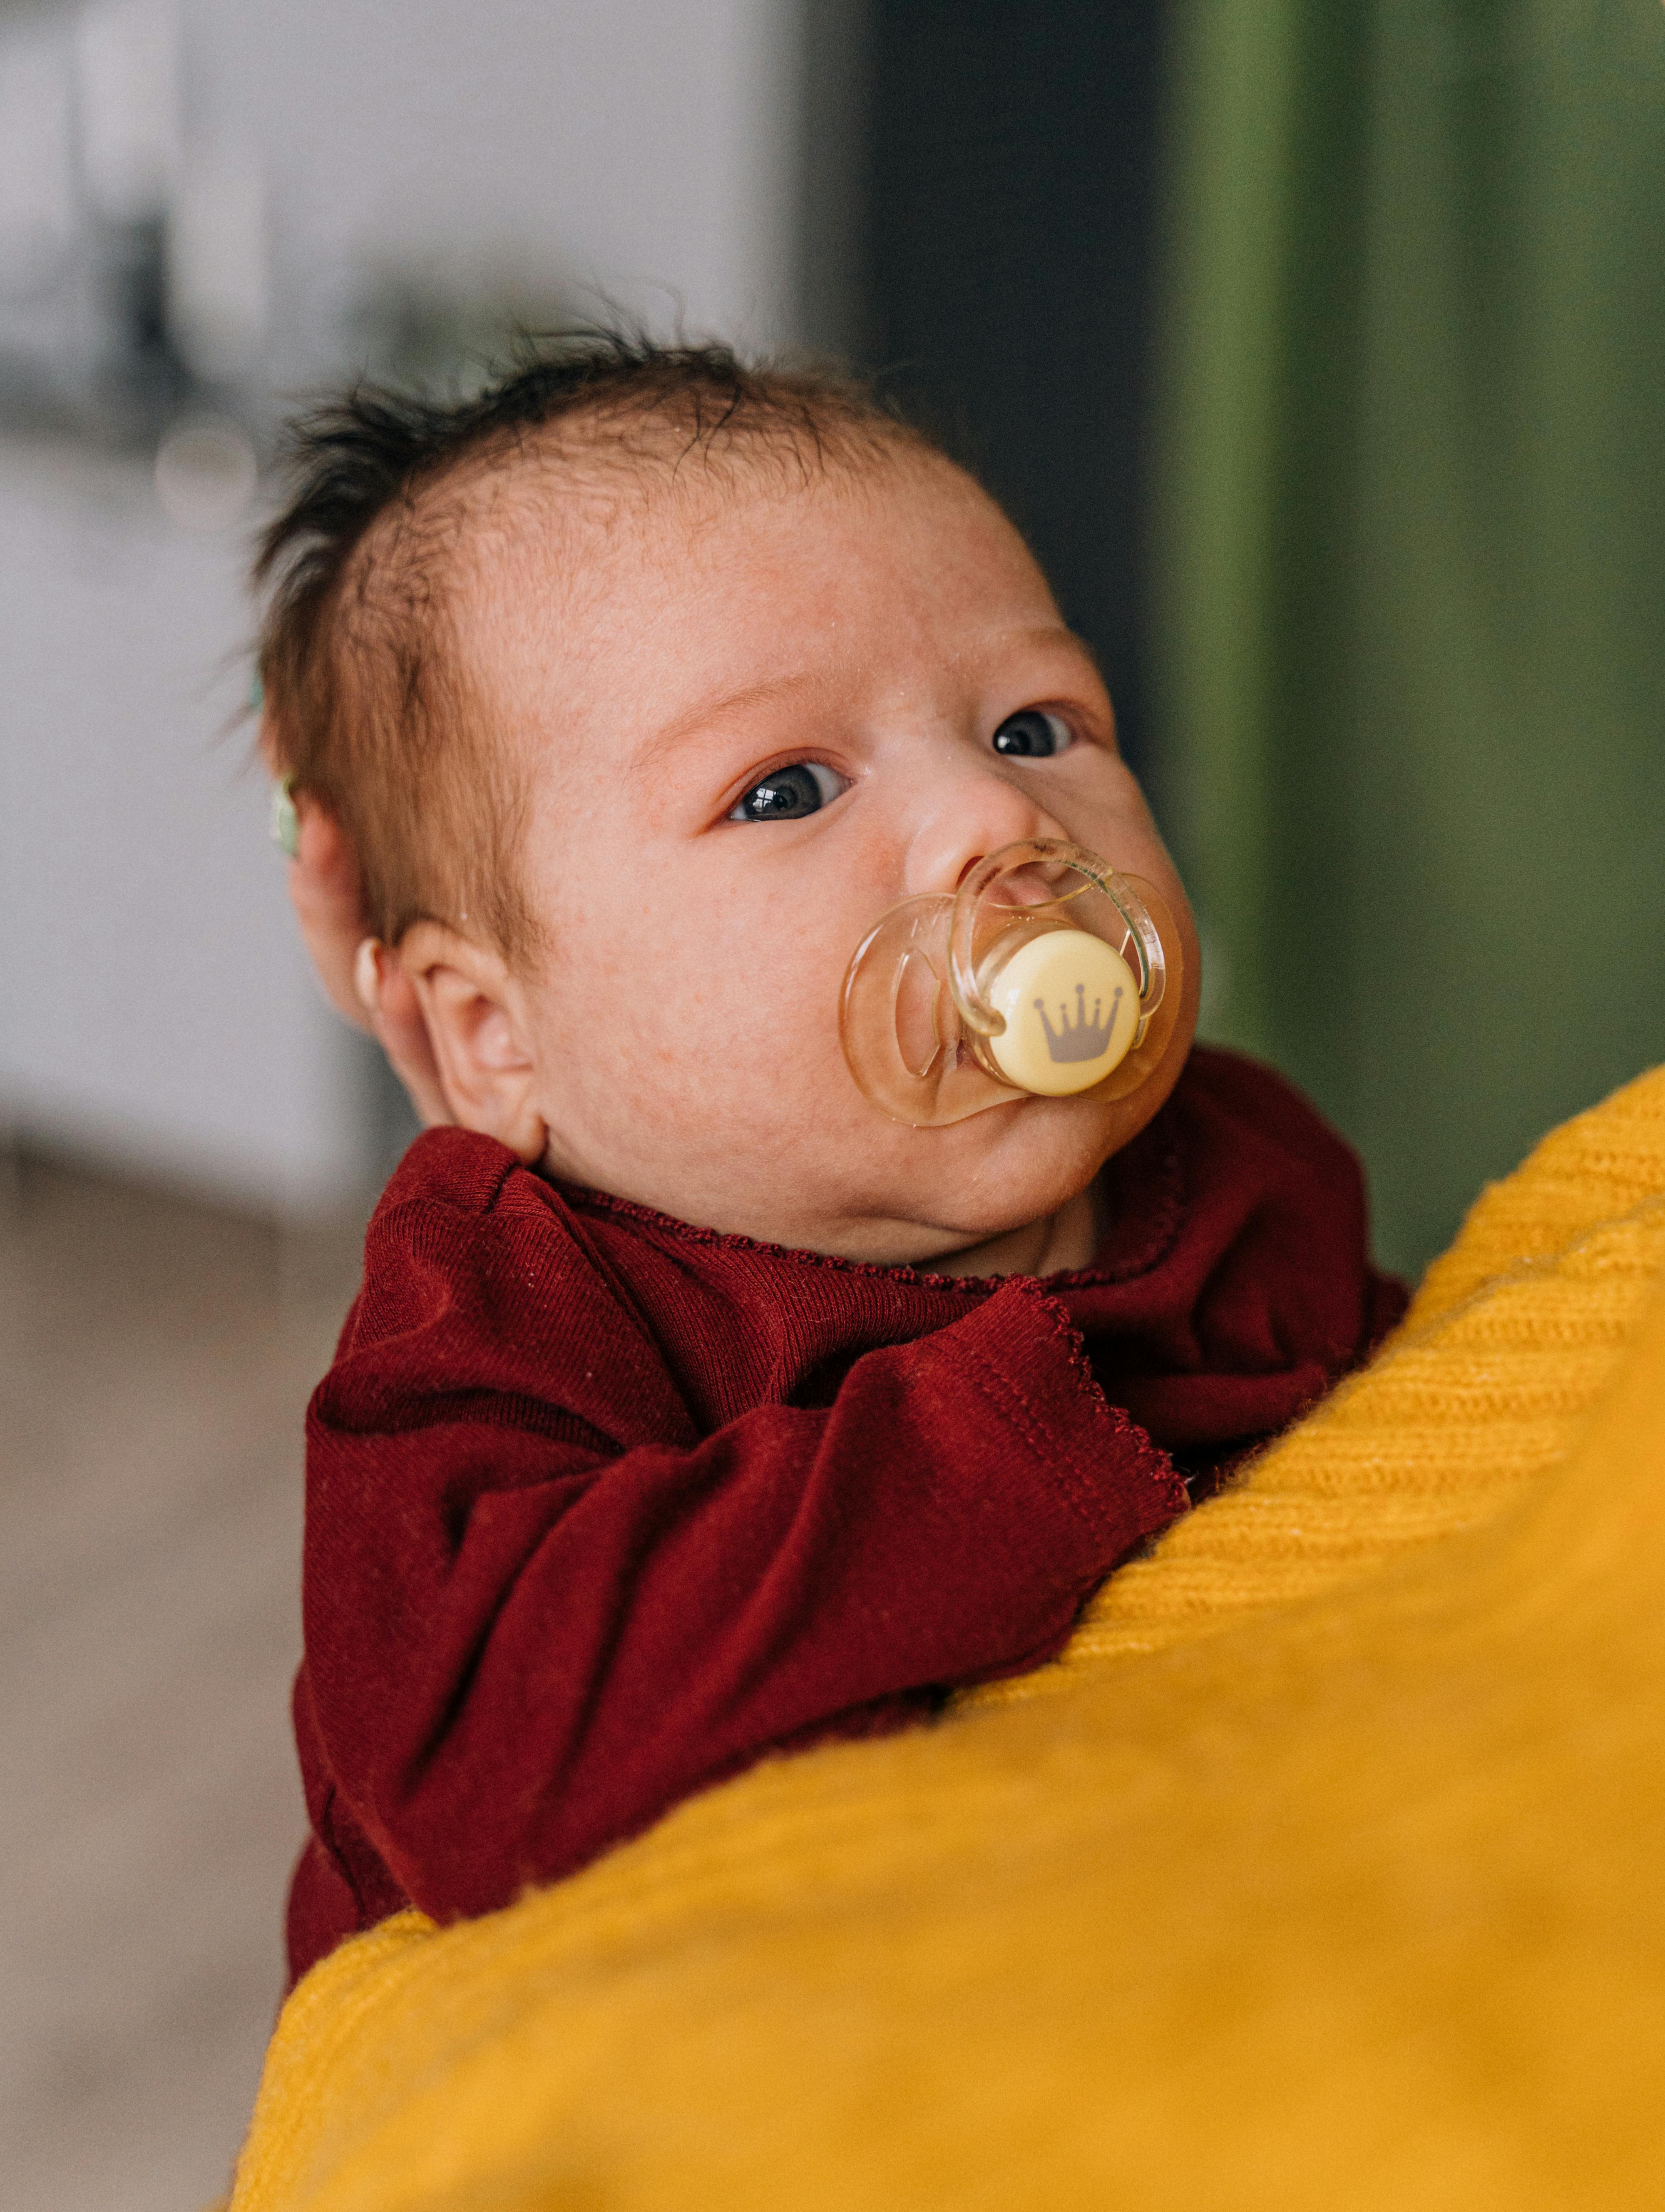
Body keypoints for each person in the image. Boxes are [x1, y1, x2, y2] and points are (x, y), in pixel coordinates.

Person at [258, 338, 1404, 1987]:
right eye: (785, 789)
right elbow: (480, 1765)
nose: (999, 823)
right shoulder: (506, 1315)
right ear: (495, 1038)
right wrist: (999, 1449)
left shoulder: (1235, 1158)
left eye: (1034, 726)